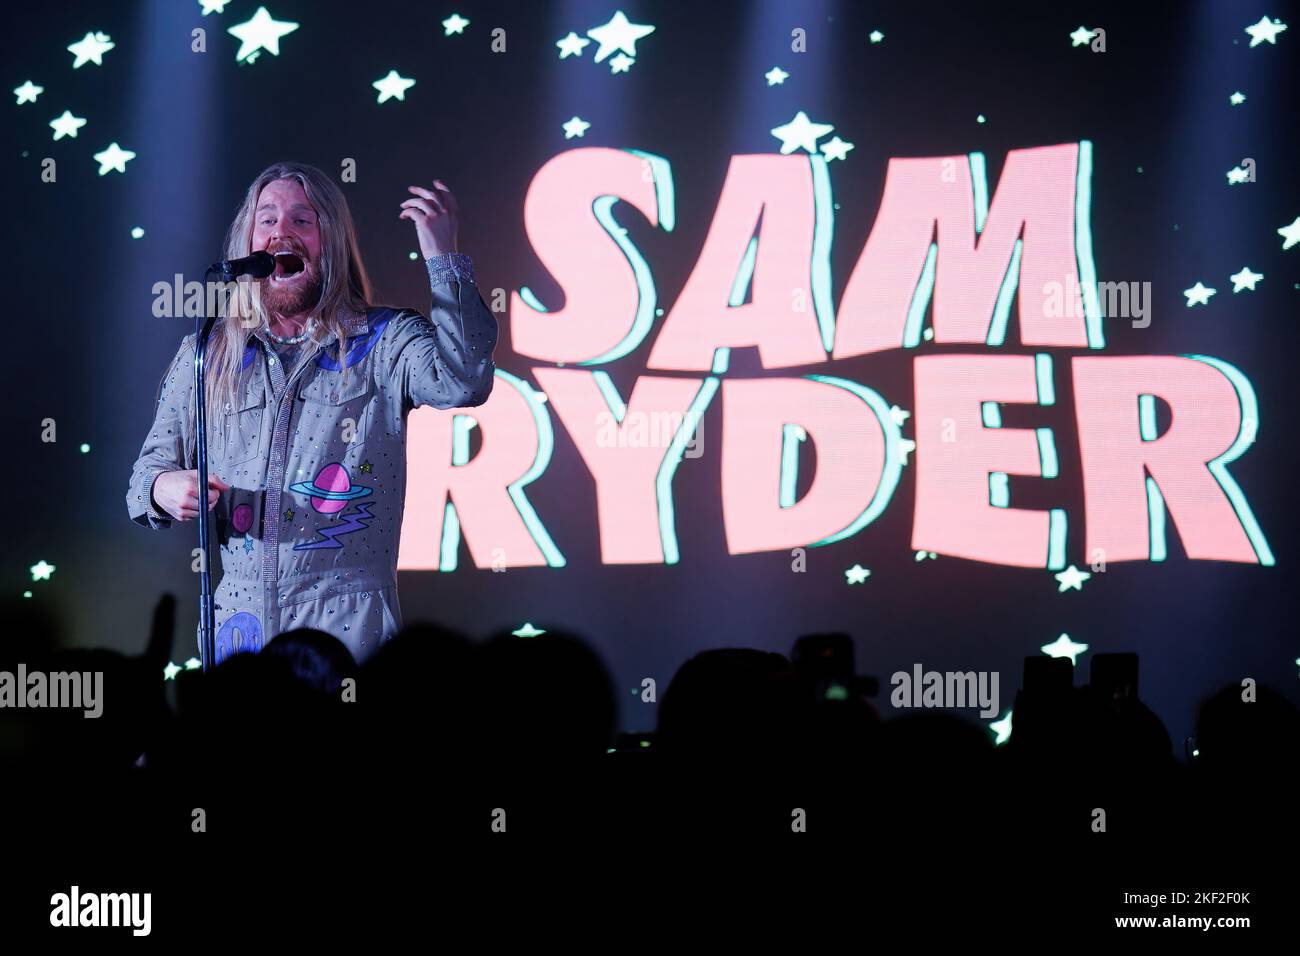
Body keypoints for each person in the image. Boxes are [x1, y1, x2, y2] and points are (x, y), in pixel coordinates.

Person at [126, 162, 498, 663]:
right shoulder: (207, 355)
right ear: (247, 243)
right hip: (239, 627)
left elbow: (464, 379)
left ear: (333, 243)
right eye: (268, 219)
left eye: (303, 221)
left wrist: (444, 260)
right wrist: (161, 488)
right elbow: (144, 477)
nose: (282, 231)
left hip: (347, 622)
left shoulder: (384, 341)